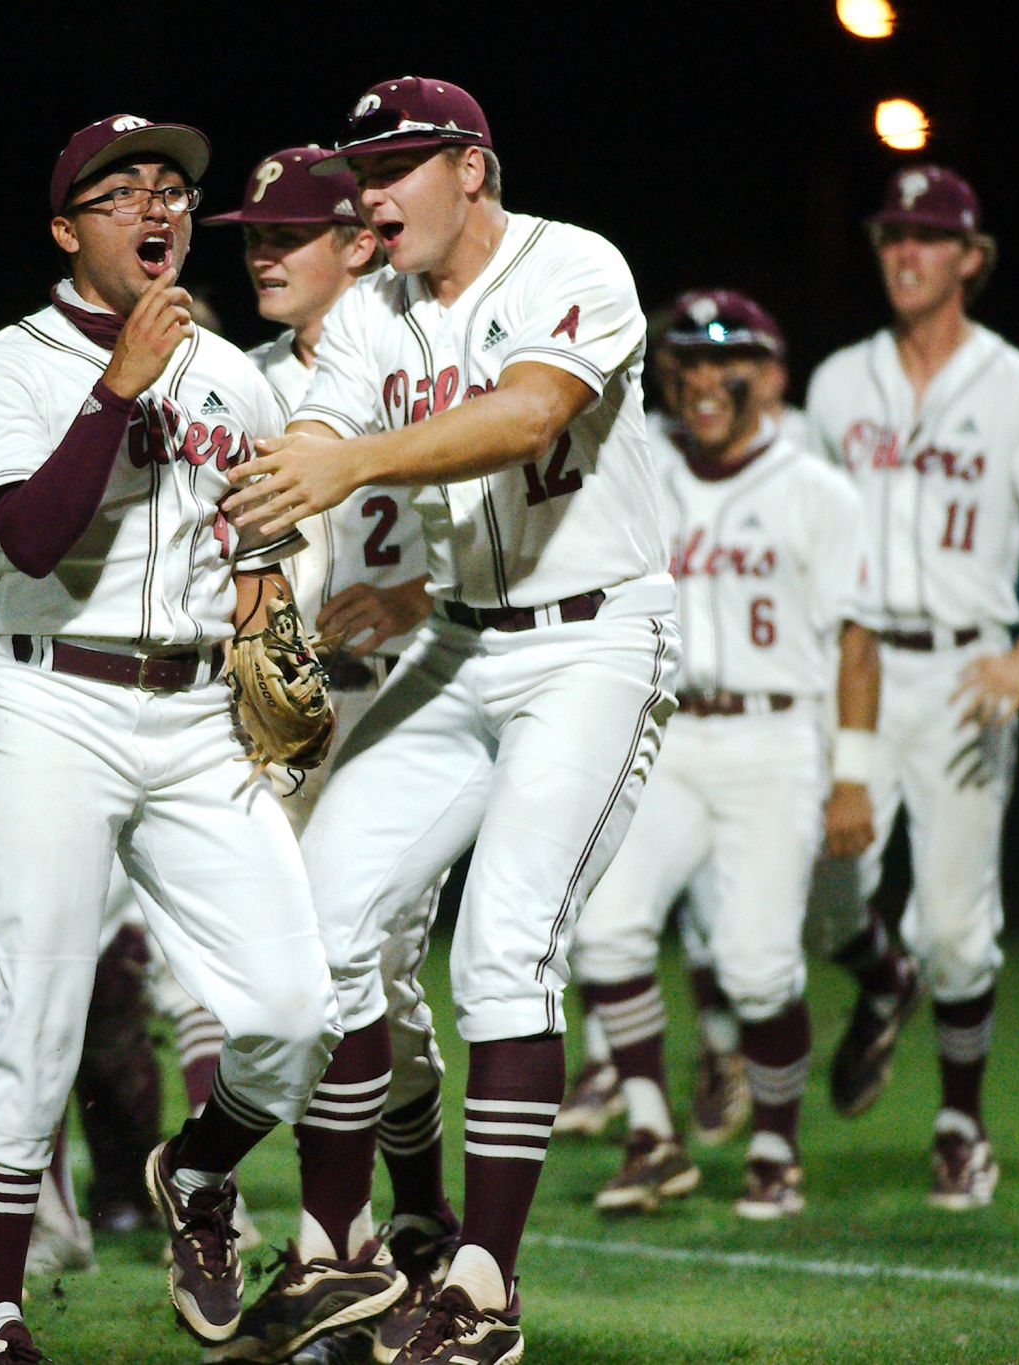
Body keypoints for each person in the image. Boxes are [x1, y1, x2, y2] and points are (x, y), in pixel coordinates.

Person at [223, 77, 679, 1364]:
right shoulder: (371, 308)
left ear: (470, 167)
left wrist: (347, 462)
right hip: (461, 643)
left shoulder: (569, 262)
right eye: (360, 168)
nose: (370, 191)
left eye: (398, 165)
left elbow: (530, 411)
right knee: (316, 930)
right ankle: (341, 1249)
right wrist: (266, 554)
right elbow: (313, 434)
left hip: (595, 640)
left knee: (500, 950)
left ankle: (481, 1286)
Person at [0, 114, 342, 1364]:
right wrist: (117, 387)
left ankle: (200, 1173)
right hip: (53, 705)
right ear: (68, 232)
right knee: (33, 1011)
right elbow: (31, 539)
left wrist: (276, 633)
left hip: (195, 718)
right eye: (120, 194)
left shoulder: (233, 374)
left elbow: (264, 545)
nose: (155, 206)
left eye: (170, 188)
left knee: (296, 1007)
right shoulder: (0, 367)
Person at [804, 165, 1019, 1207]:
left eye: (927, 237)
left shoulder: (1016, 387)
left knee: (954, 927)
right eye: (890, 232)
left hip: (960, 668)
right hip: (850, 667)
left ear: (969, 260)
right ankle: (880, 983)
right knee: (821, 891)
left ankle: (957, 1121)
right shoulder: (839, 382)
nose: (904, 251)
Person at [207, 143, 461, 1360]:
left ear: (358, 243)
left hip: (405, 707)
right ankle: (361, 1237)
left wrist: (418, 592)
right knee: (308, 984)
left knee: (373, 981)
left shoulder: (420, 356)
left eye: (286, 234)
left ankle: (383, 1226)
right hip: (278, 727)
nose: (261, 254)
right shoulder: (242, 385)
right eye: (251, 236)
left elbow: (506, 516)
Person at [569, 290, 879, 1221]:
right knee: (605, 926)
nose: (705, 382)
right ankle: (652, 1134)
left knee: (755, 966)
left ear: (774, 374)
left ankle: (777, 1146)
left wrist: (853, 769)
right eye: (689, 362)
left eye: (728, 360)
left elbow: (857, 641)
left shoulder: (817, 488)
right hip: (665, 729)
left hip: (774, 736)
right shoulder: (643, 462)